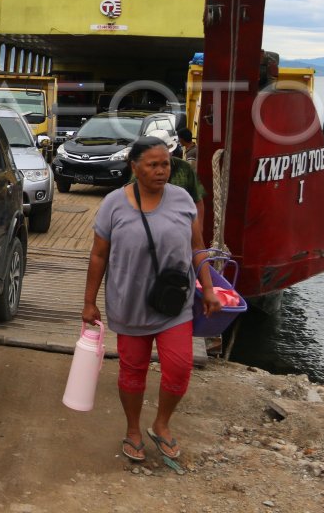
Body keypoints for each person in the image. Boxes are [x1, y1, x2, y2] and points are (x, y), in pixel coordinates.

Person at [82, 137, 221, 464]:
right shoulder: (114, 204)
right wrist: (89, 302)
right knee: (133, 371)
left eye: (166, 164)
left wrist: (209, 288)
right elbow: (99, 255)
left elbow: (197, 247)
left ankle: (161, 423)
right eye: (153, 165)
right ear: (134, 167)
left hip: (174, 303)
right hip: (129, 303)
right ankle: (133, 430)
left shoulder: (183, 199)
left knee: (180, 366)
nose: (161, 171)